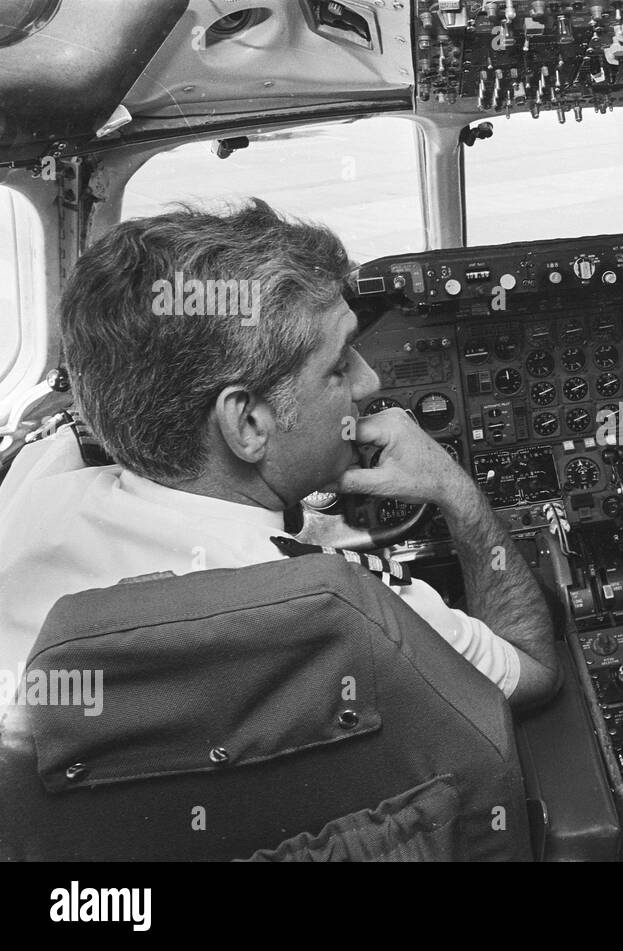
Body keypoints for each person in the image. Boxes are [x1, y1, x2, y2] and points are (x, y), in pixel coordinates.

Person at [0, 199, 559, 709]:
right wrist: (457, 494)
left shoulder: (35, 477)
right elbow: (533, 671)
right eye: (339, 366)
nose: (370, 381)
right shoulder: (347, 607)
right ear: (247, 424)